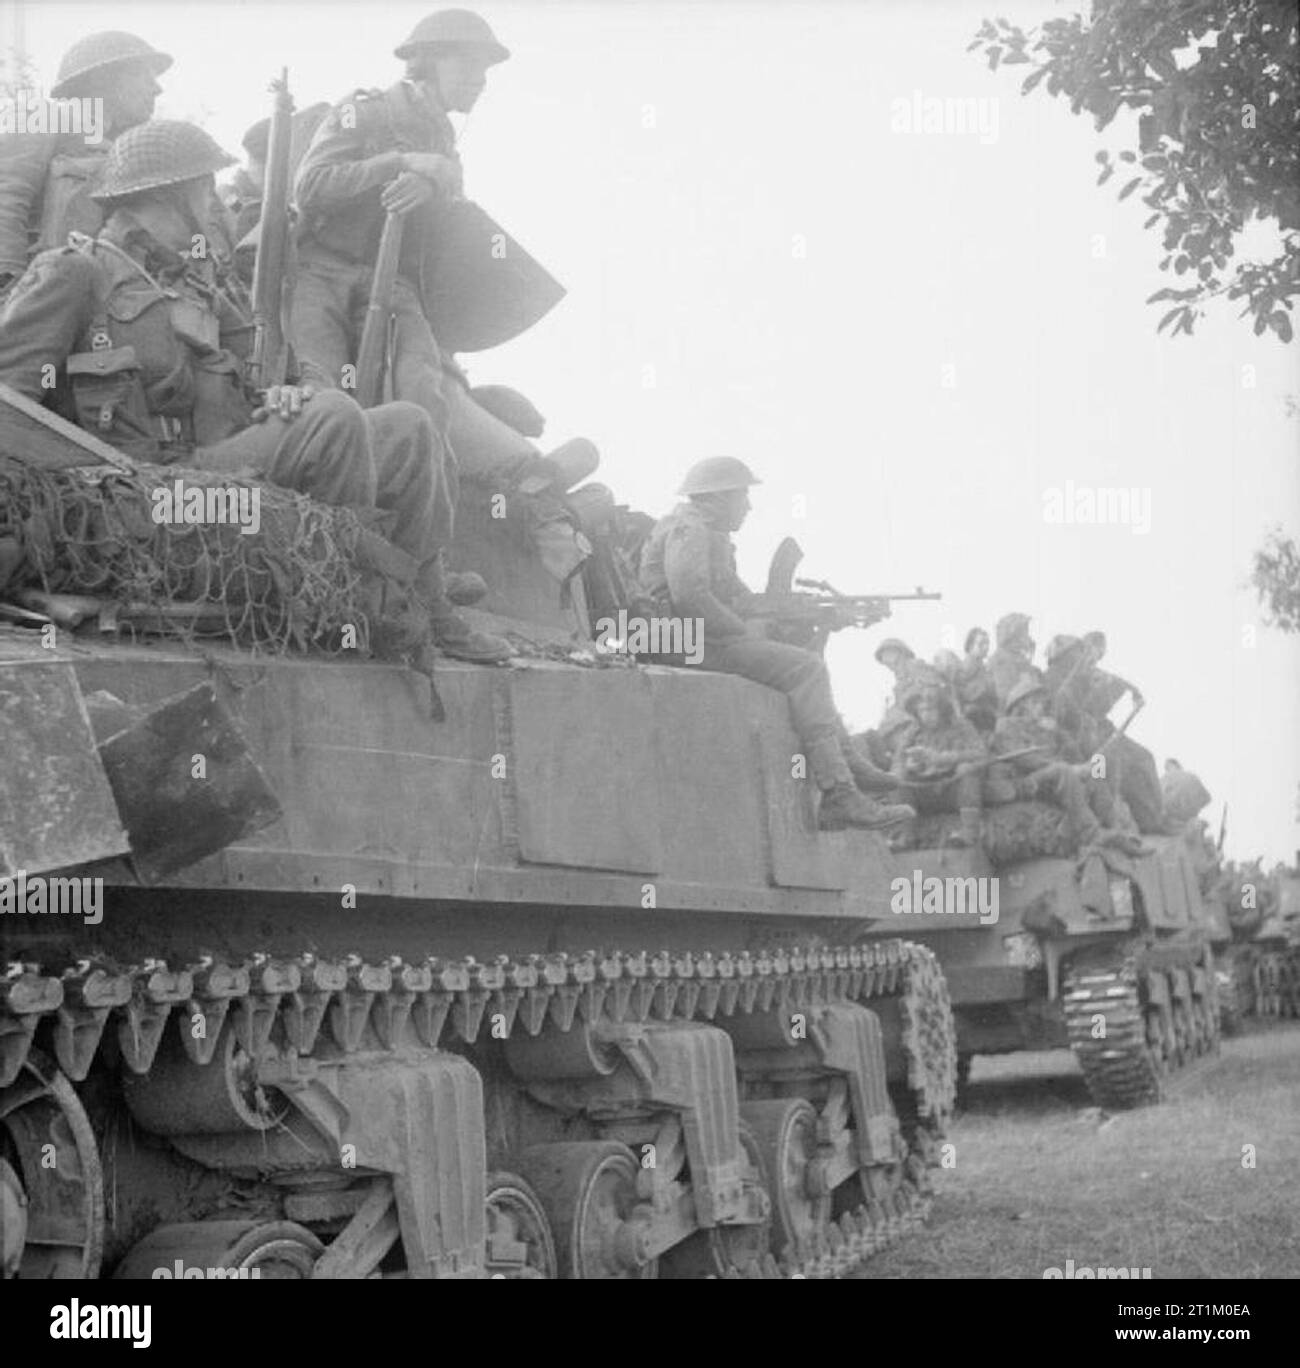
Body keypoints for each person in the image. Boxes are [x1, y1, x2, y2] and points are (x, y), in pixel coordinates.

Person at [0, 119, 512, 665]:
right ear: (172, 193)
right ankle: (349, 603)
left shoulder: (202, 287)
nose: (215, 201)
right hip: (142, 488)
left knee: (410, 425)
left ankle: (429, 606)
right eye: (204, 187)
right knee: (335, 418)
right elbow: (11, 406)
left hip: (229, 466)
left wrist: (291, 396)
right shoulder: (74, 272)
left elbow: (285, 375)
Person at [289, 9, 597, 513]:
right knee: (325, 398)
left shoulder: (443, 138)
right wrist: (398, 163)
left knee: (424, 400)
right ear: (428, 63)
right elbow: (312, 187)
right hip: (322, 270)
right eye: (469, 68)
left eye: (484, 73)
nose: (479, 83)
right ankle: (323, 525)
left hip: (396, 285)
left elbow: (452, 209)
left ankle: (420, 551)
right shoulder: (362, 110)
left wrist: (432, 180)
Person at [640, 457, 914, 830]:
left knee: (805, 659)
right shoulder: (690, 529)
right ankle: (840, 792)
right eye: (743, 497)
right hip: (682, 642)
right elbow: (690, 596)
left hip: (691, 639)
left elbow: (739, 598)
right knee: (806, 669)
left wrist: (800, 611)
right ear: (718, 498)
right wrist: (740, 628)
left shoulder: (707, 533)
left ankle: (847, 764)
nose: (748, 507)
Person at [0, 31, 172, 297]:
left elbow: (190, 230)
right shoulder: (42, 117)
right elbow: (6, 199)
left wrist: (201, 256)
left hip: (110, 300)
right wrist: (9, 287)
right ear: (103, 77)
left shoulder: (131, 148)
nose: (157, 88)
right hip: (43, 298)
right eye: (144, 75)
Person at [990, 679, 1144, 853]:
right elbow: (1026, 760)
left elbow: (1071, 754)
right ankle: (1092, 834)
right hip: (1024, 782)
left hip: (1050, 780)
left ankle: (1118, 830)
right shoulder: (1005, 728)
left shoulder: (1044, 728)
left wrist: (1058, 734)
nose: (1041, 707)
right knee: (1062, 770)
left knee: (1096, 772)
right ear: (1023, 705)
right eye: (1036, 703)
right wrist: (1072, 769)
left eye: (1041, 702)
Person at [890, 684, 988, 848]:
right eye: (921, 711)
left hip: (954, 790)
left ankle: (969, 832)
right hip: (923, 792)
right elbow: (896, 764)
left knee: (967, 769)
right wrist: (909, 766)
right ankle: (907, 835)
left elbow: (981, 754)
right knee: (895, 782)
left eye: (931, 709)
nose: (926, 715)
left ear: (942, 710)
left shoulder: (961, 726)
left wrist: (941, 759)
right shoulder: (911, 732)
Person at [989, 611, 1041, 706]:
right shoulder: (1001, 660)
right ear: (1013, 635)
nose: (1028, 636)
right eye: (1024, 632)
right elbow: (1005, 695)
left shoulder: (1018, 658)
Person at [954, 626, 998, 734]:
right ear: (970, 646)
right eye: (981, 644)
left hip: (987, 716)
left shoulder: (983, 667)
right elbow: (962, 695)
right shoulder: (967, 667)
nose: (986, 647)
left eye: (987, 643)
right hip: (974, 719)